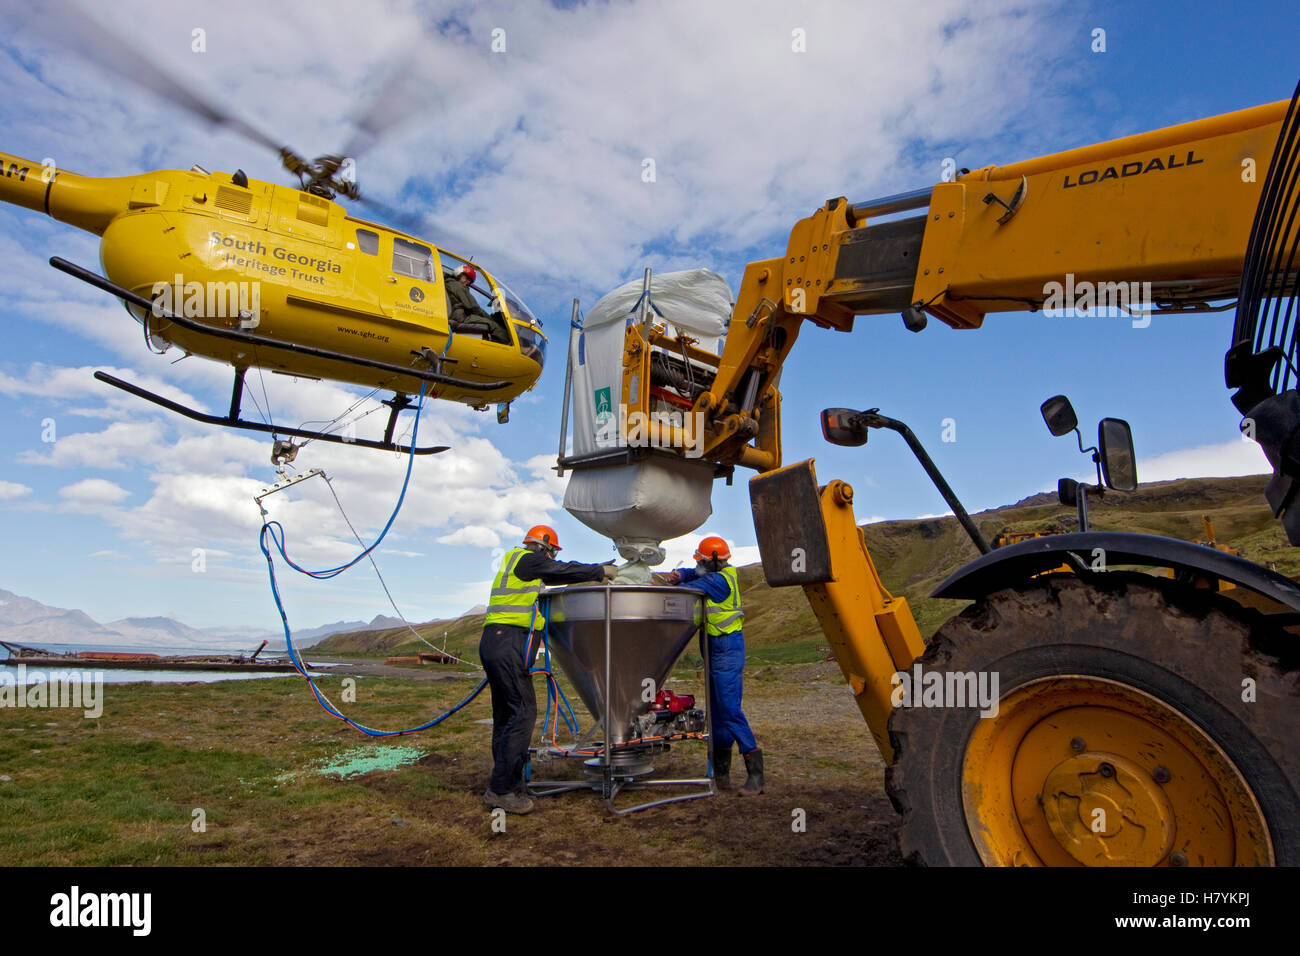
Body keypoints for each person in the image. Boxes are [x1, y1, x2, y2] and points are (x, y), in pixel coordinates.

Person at [480, 524, 617, 814]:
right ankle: (501, 790)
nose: (552, 558)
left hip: (497, 642)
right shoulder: (527, 560)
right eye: (552, 552)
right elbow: (561, 571)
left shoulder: (519, 565)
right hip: (507, 644)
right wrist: (598, 572)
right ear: (543, 547)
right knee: (522, 712)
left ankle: (508, 783)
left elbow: (557, 572)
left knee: (506, 716)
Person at [661, 535, 764, 795]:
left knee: (729, 711)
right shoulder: (715, 572)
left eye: (703, 560)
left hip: (727, 650)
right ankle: (721, 775)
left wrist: (677, 583)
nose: (699, 564)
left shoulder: (719, 581)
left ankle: (756, 776)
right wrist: (679, 573)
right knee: (717, 715)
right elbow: (694, 573)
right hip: (716, 649)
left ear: (716, 561)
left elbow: (696, 583)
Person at [446, 264, 509, 343]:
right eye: (466, 278)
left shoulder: (450, 284)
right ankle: (507, 343)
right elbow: (473, 307)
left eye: (470, 281)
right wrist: (490, 319)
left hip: (457, 315)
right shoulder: (458, 287)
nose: (468, 281)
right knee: (494, 326)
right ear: (459, 275)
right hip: (460, 317)